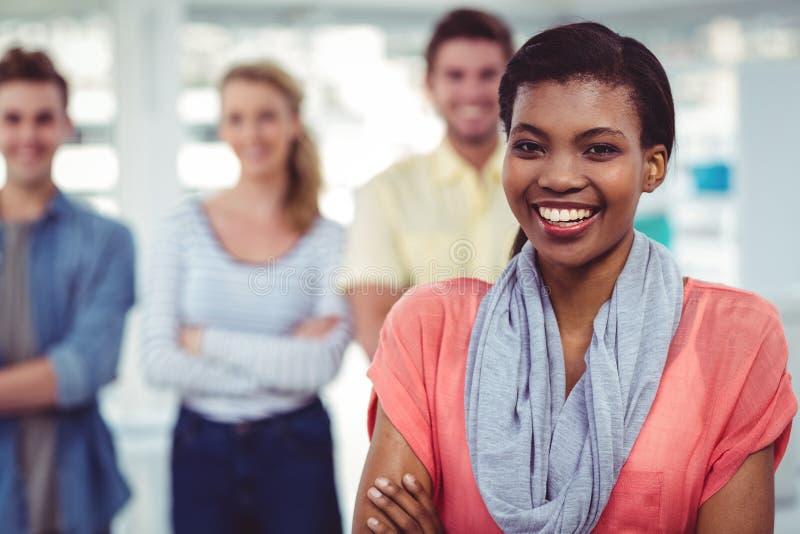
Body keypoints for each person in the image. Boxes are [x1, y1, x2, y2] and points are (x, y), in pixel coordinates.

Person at [353, 22, 797, 533]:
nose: (559, 177)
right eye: (530, 147)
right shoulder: (428, 327)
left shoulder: (734, 337)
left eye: (599, 149)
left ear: (652, 167)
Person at [141, 61, 350, 534]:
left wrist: (204, 341)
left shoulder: (329, 239)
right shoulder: (182, 228)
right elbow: (157, 361)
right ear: (221, 128)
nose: (251, 132)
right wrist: (282, 365)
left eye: (267, 116)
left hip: (297, 450)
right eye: (236, 118)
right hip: (201, 451)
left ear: (294, 123)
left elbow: (320, 367)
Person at [0, 47, 135, 533]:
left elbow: (84, 368)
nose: (27, 135)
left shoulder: (108, 240)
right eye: (12, 119)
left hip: (74, 489)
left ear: (65, 126)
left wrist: (54, 377)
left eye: (42, 119)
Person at [343, 8, 519, 358]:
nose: (471, 91)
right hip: (423, 410)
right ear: (429, 84)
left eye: (487, 74)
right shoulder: (384, 194)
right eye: (455, 75)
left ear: (513, 82)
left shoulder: (544, 187)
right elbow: (375, 330)